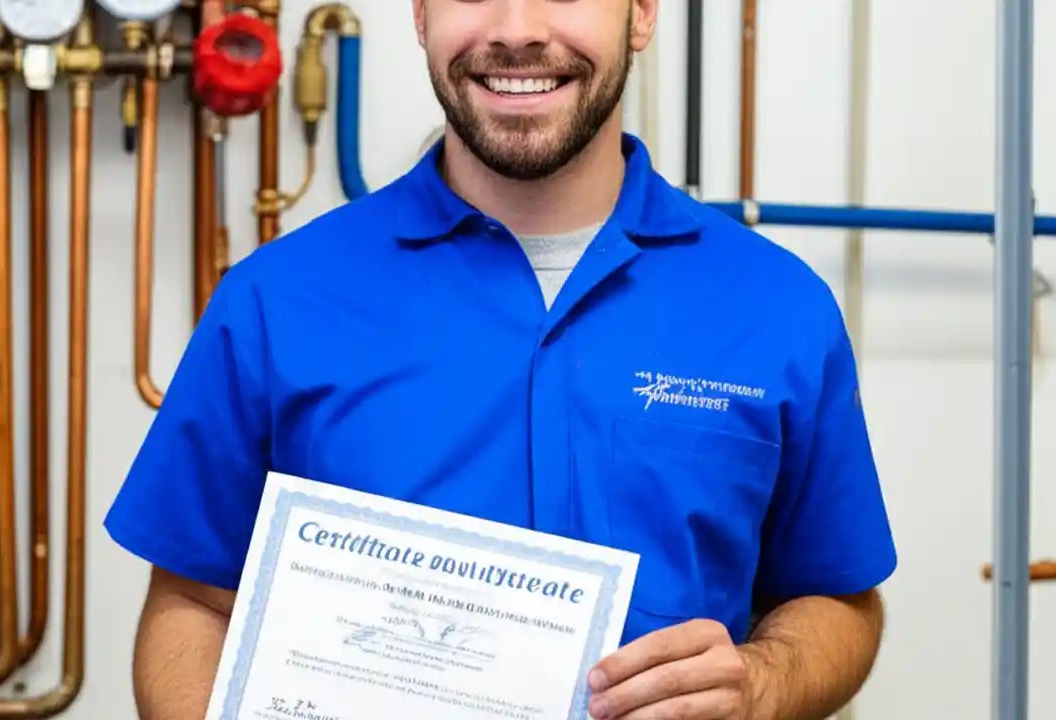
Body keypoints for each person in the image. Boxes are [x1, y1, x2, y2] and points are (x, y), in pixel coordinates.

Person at [104, 0, 898, 718]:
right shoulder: (275, 301)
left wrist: (761, 682)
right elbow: (193, 604)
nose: (516, 29)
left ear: (643, 15)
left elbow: (837, 598)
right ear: (419, 16)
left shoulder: (776, 306)